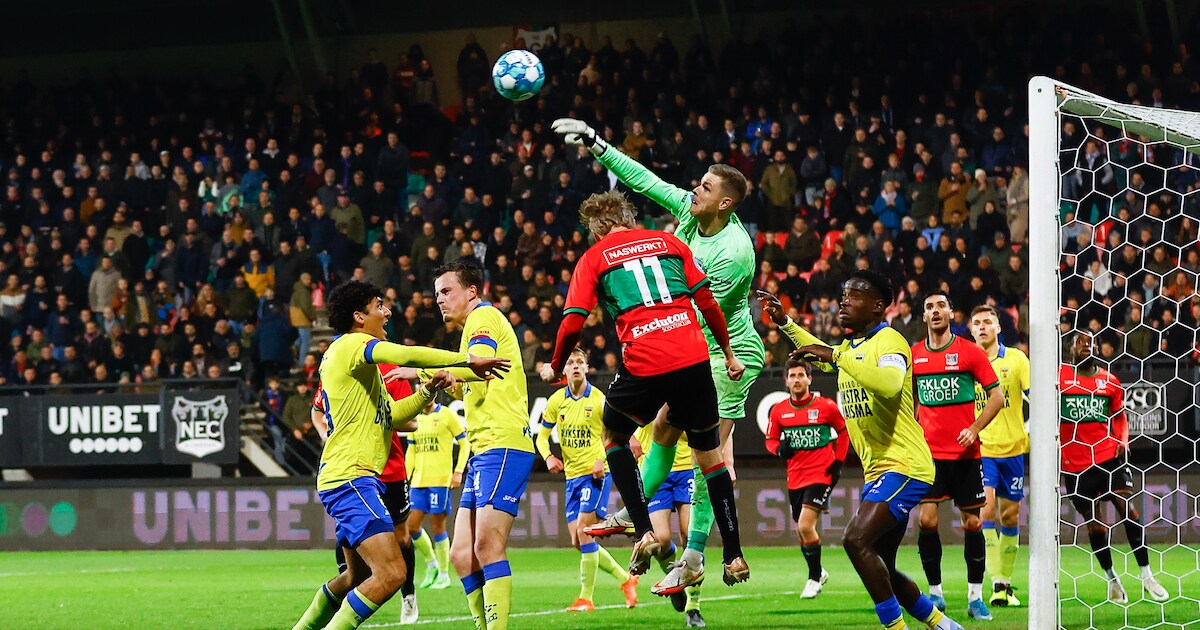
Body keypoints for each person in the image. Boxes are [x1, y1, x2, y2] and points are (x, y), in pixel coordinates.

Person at [553, 117, 764, 595]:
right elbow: (644, 181)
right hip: (688, 342)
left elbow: (702, 305)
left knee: (715, 451)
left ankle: (695, 555)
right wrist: (597, 143)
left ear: (724, 202)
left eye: (705, 186)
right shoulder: (690, 215)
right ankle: (638, 509)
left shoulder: (734, 253)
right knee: (666, 429)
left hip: (724, 349)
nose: (694, 189)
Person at [292, 280, 508, 630]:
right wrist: (467, 361)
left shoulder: (355, 365)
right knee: (392, 573)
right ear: (359, 316)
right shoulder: (352, 345)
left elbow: (391, 416)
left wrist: (427, 389)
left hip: (349, 477)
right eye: (380, 305)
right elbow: (406, 355)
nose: (387, 311)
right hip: (351, 478)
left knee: (353, 577)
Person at [758, 272, 962, 630]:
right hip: (879, 471)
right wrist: (786, 323)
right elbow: (815, 349)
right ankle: (943, 625)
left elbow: (889, 383)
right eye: (843, 294)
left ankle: (895, 628)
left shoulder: (890, 342)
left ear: (878, 306)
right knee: (881, 562)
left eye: (855, 295)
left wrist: (835, 354)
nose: (844, 301)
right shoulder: (851, 350)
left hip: (906, 464)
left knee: (854, 540)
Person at [429, 257, 532, 630]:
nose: (439, 299)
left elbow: (482, 361)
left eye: (447, 291)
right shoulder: (472, 326)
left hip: (503, 444)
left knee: (486, 546)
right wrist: (452, 381)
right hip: (482, 451)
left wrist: (423, 367)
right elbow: (478, 374)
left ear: (471, 292)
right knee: (460, 555)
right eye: (437, 293)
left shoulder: (482, 319)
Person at [910, 291, 1005, 620]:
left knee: (972, 522)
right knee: (926, 520)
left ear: (951, 313)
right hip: (930, 457)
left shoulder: (968, 352)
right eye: (929, 307)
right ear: (923, 316)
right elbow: (908, 402)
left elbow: (998, 396)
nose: (935, 312)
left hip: (966, 456)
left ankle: (975, 597)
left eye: (940, 306)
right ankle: (935, 594)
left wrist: (975, 427)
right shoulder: (915, 356)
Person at [1060, 331, 1169, 604]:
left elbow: (1119, 416)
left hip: (1108, 456)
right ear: (1069, 349)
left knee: (1129, 510)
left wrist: (1122, 438)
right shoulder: (1059, 379)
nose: (1087, 347)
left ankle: (1147, 576)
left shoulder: (1109, 381)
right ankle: (1113, 580)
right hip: (1074, 464)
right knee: (1096, 525)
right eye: (1081, 344)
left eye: (1091, 344)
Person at [310, 364, 423, 624]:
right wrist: (323, 432)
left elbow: (411, 423)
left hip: (389, 468)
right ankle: (346, 605)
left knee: (402, 539)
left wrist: (373, 414)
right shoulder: (337, 365)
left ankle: (408, 594)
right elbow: (317, 410)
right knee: (354, 564)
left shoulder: (392, 370)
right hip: (352, 471)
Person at [536, 346, 638, 612]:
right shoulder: (557, 401)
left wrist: (602, 460)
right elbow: (542, 437)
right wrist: (548, 457)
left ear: (587, 367)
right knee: (579, 541)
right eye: (571, 362)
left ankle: (586, 598)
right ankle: (626, 579)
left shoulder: (599, 400)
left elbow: (615, 433)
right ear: (564, 370)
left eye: (580, 361)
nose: (576, 366)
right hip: (571, 477)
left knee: (584, 532)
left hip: (596, 475)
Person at [765, 357, 848, 600]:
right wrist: (780, 450)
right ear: (786, 382)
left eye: (801, 375)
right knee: (802, 531)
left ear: (809, 379)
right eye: (792, 376)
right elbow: (770, 440)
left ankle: (813, 578)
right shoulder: (780, 411)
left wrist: (838, 463)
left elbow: (843, 432)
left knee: (805, 525)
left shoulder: (826, 406)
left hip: (821, 474)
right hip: (795, 478)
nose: (797, 380)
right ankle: (818, 571)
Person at [967, 305, 1030, 607]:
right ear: (970, 329)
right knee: (986, 511)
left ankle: (1005, 582)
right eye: (977, 323)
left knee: (1011, 516)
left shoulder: (1016, 359)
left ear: (998, 328)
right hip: (983, 450)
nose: (982, 327)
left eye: (987, 322)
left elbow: (1035, 396)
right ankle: (996, 582)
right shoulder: (967, 362)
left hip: (1014, 449)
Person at [631, 421, 703, 625]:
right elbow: (618, 415)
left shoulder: (687, 392)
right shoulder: (646, 390)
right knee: (659, 540)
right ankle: (674, 578)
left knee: (690, 534)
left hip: (687, 468)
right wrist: (629, 436)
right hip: (655, 467)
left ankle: (693, 607)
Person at [404, 396, 470, 590]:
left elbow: (465, 444)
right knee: (411, 526)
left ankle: (443, 574)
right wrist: (406, 477)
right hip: (418, 482)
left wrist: (458, 471)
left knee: (438, 526)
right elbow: (411, 452)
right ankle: (431, 564)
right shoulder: (415, 418)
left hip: (440, 481)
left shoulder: (447, 415)